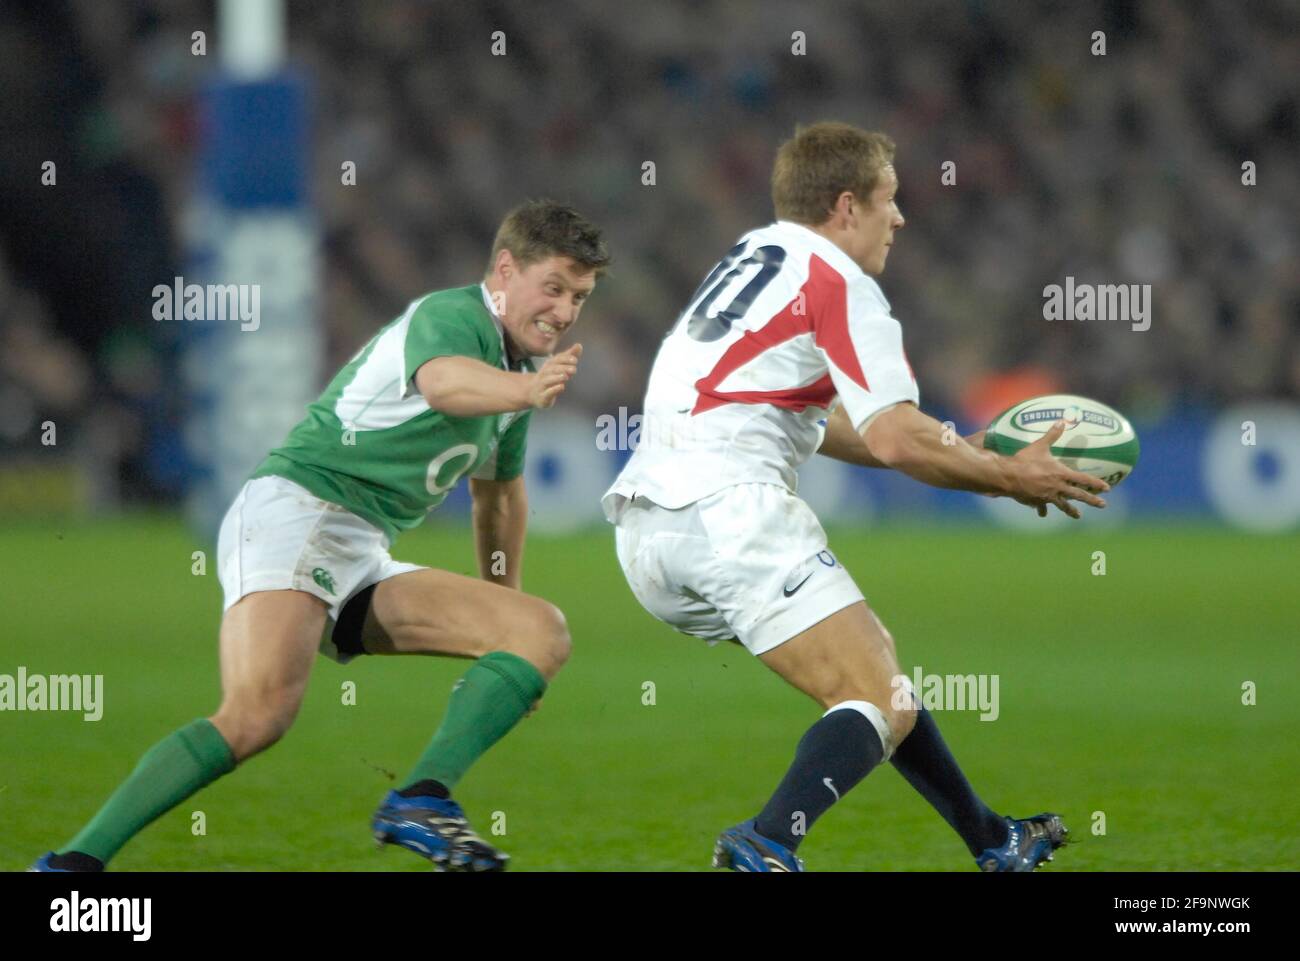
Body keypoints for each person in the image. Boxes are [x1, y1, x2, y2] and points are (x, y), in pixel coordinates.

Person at [33, 199, 608, 873]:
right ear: (505, 271)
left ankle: (420, 799)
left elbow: (499, 495)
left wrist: (502, 612)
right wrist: (525, 391)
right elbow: (443, 383)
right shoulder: (452, 318)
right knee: (254, 716)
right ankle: (70, 867)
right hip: (300, 512)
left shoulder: (514, 376)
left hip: (358, 547)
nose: (566, 311)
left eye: (580, 297)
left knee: (538, 629)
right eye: (555, 287)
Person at [602, 122, 1107, 872]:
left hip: (648, 533)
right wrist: (1008, 479)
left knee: (875, 685)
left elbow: (838, 423)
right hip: (728, 509)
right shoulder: (841, 285)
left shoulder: (753, 255)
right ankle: (768, 841)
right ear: (846, 207)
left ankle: (994, 840)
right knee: (878, 694)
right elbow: (898, 437)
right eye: (888, 201)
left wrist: (979, 454)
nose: (899, 219)